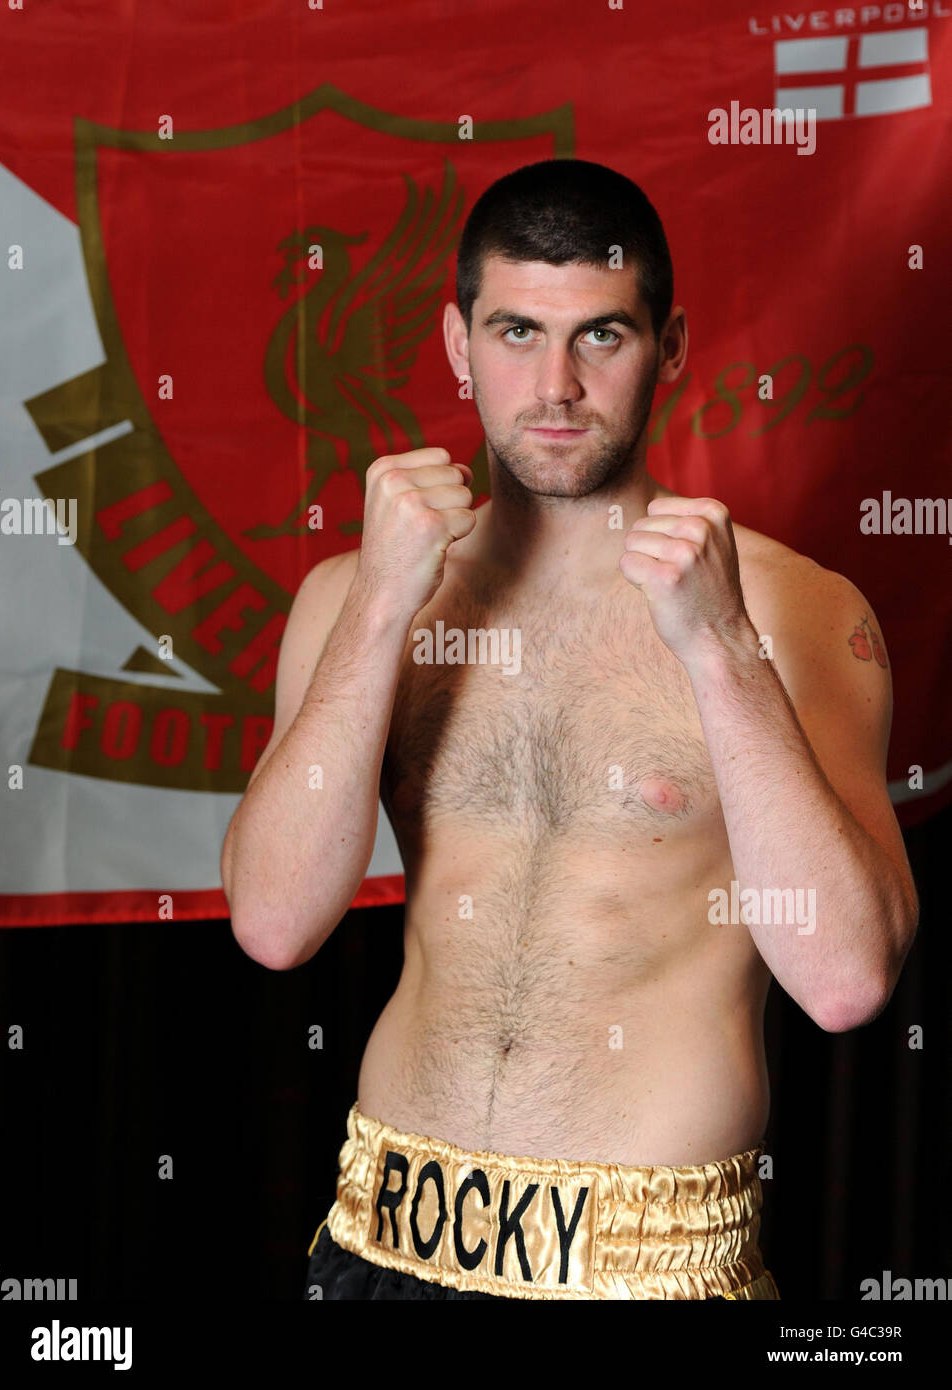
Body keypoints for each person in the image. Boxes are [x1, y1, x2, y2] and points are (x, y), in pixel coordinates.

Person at [220, 158, 919, 1300]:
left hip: (642, 1264)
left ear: (669, 346)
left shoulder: (792, 612)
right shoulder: (357, 598)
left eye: (600, 334)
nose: (555, 386)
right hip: (382, 1238)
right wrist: (381, 606)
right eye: (515, 333)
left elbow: (845, 978)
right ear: (457, 345)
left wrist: (717, 649)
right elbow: (272, 923)